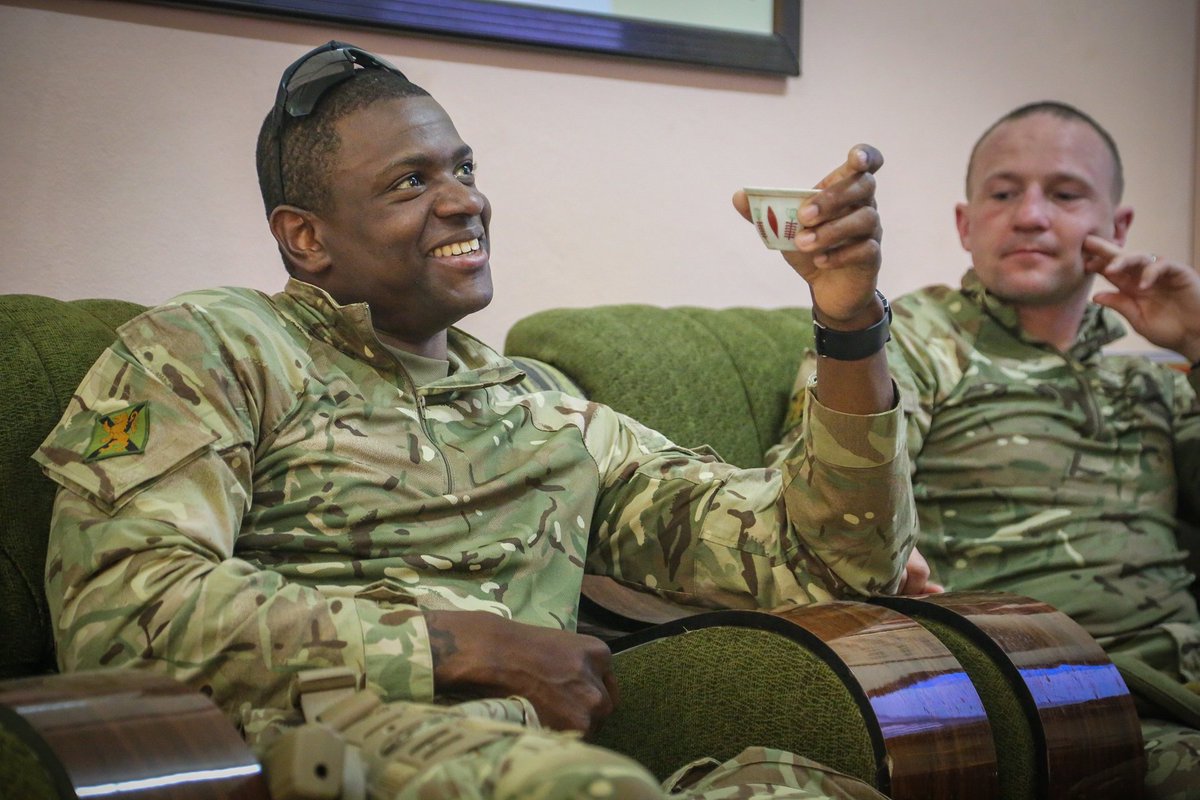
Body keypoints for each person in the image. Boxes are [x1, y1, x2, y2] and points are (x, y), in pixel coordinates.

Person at [36, 41, 916, 799]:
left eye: (463, 169)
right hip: (317, 753)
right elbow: (121, 612)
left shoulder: (539, 408)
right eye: (410, 182)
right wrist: (457, 645)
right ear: (307, 238)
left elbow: (822, 565)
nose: (463, 201)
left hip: (537, 762)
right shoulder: (217, 347)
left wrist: (847, 327)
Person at [773, 100, 1200, 798]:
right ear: (966, 226)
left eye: (1064, 194)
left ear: (1115, 228)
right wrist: (875, 553)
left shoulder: (1147, 379)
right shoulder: (917, 337)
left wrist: (1198, 344)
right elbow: (821, 492)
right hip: (1059, 694)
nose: (1030, 215)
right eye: (1004, 194)